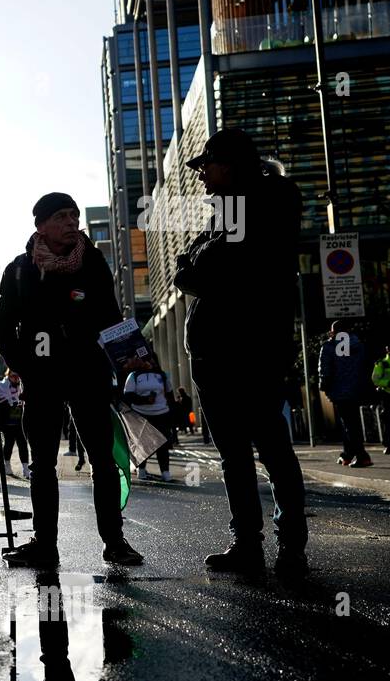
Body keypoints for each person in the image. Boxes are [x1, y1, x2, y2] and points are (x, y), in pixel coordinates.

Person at [175, 128, 307, 576]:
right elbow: (199, 265)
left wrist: (195, 265)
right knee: (262, 447)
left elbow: (201, 270)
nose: (202, 177)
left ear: (227, 165)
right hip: (241, 346)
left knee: (256, 448)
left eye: (206, 167)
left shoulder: (251, 206)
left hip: (237, 347)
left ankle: (263, 544)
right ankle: (271, 545)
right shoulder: (246, 206)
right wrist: (196, 263)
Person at [0, 192, 142, 567]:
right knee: (42, 463)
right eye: (61, 217)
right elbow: (1, 322)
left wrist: (132, 358)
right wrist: (20, 364)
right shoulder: (19, 270)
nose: (71, 223)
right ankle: (45, 543)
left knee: (103, 462)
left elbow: (111, 314)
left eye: (74, 216)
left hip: (88, 375)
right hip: (41, 379)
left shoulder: (91, 262)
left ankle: (115, 541)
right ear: (40, 224)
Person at [319, 321, 372, 468]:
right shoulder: (359, 345)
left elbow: (325, 369)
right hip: (357, 389)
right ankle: (347, 454)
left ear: (333, 332)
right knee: (352, 421)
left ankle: (362, 455)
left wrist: (324, 385)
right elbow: (366, 365)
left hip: (339, 390)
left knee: (349, 423)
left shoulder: (329, 347)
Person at [123, 355, 174, 481]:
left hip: (162, 413)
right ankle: (142, 470)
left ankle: (165, 472)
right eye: (145, 360)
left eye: (150, 359)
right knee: (142, 444)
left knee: (162, 444)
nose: (148, 362)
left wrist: (171, 413)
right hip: (141, 414)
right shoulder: (134, 375)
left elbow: (170, 393)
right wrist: (145, 400)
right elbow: (128, 395)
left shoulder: (162, 375)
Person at [0, 370, 31, 478]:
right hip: (7, 420)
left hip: (19, 419)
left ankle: (25, 468)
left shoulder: (21, 386)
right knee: (8, 443)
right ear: (8, 375)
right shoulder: (0, 386)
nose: (16, 378)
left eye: (18, 376)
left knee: (22, 443)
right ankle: (7, 464)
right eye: (14, 376)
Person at [374, 343, 390, 455]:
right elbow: (375, 379)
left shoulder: (382, 363)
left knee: (389, 421)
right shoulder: (382, 363)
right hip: (388, 395)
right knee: (389, 420)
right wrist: (388, 383)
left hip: (388, 395)